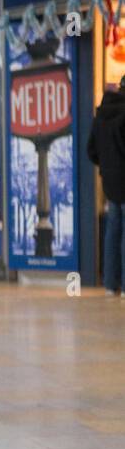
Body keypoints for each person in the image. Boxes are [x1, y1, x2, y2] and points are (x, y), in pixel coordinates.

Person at [87, 77, 125, 295]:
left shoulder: (101, 113)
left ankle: (111, 283)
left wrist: (107, 165)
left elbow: (91, 150)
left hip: (109, 181)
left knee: (113, 229)